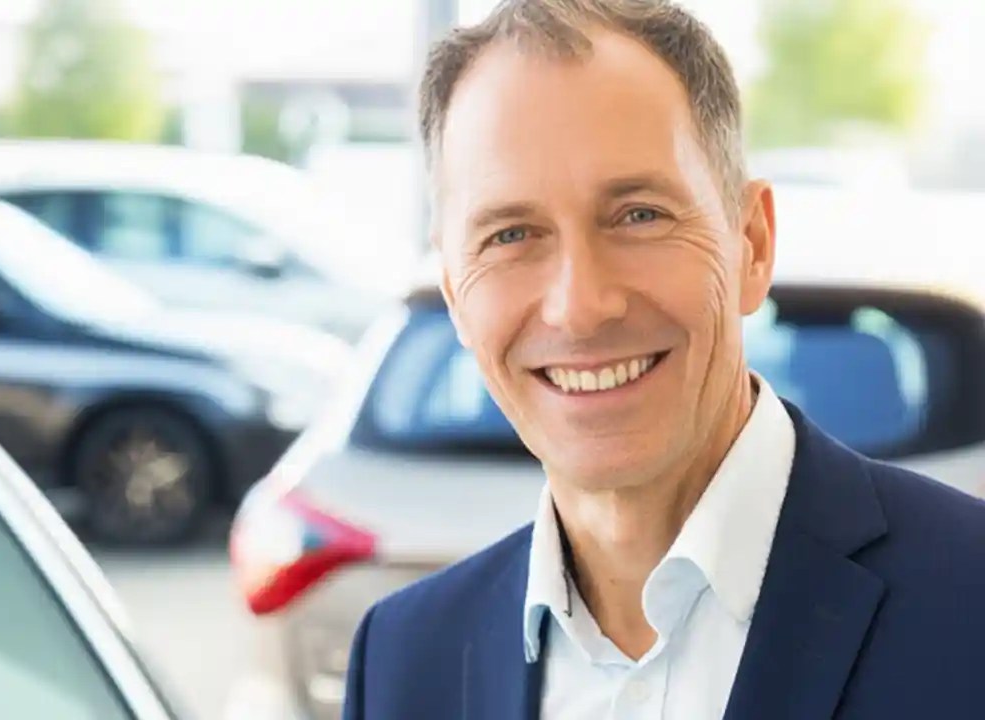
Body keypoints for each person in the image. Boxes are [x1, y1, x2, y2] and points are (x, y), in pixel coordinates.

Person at [341, 1, 985, 718]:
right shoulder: (404, 662)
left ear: (752, 242)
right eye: (511, 233)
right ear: (456, 291)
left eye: (639, 215)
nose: (580, 306)